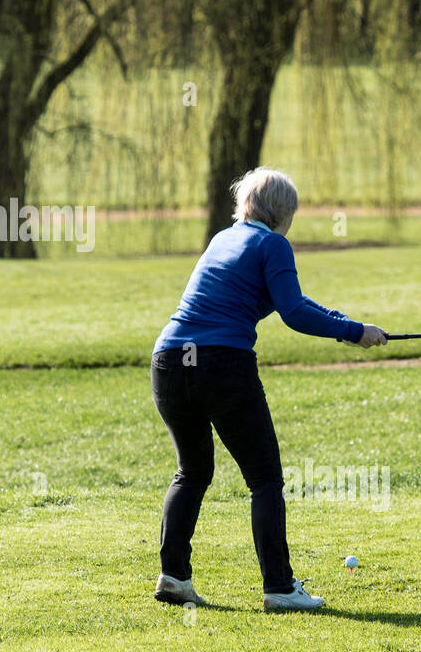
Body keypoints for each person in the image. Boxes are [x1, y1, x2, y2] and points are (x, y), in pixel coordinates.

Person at [150, 167, 388, 611]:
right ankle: (279, 587)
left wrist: (352, 325)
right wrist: (355, 332)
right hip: (222, 363)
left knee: (193, 472)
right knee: (264, 479)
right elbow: (295, 313)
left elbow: (293, 302)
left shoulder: (225, 238)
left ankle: (174, 577)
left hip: (169, 362)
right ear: (284, 212)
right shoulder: (273, 244)